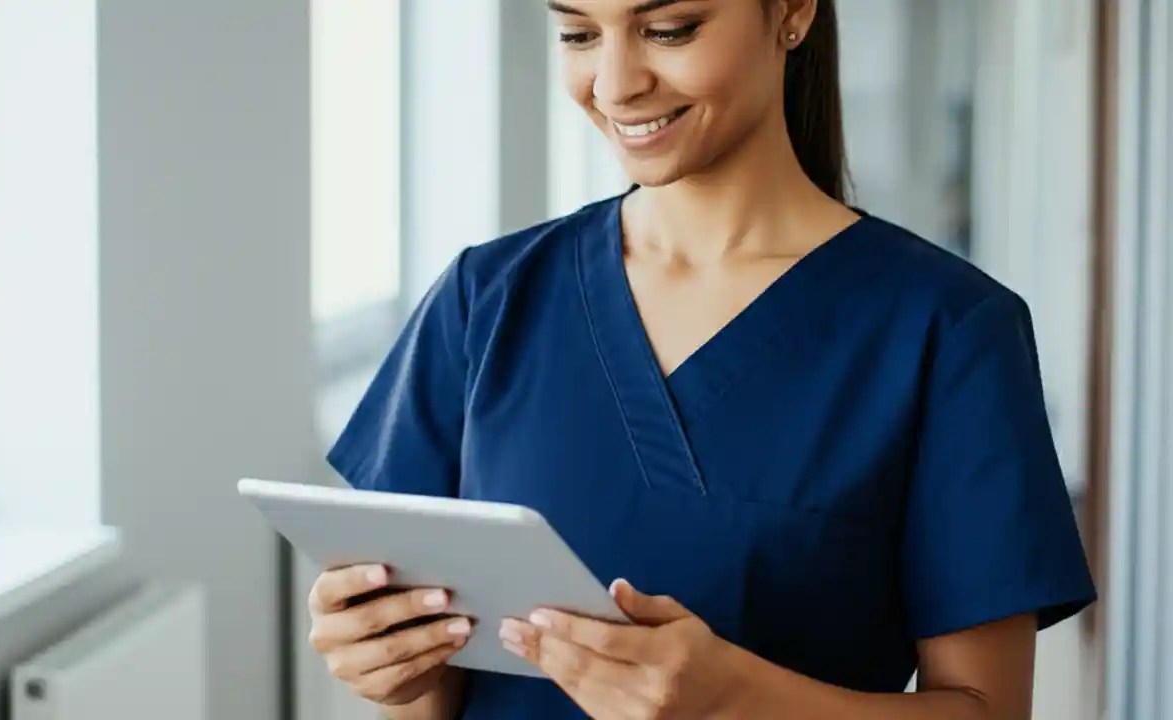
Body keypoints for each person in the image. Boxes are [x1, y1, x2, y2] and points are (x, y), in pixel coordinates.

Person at [307, 0, 1097, 717]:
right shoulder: (486, 299)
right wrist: (398, 668)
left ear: (789, 13)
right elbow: (436, 692)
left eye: (668, 30)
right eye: (579, 34)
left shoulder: (947, 328)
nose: (615, 85)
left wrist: (739, 699)